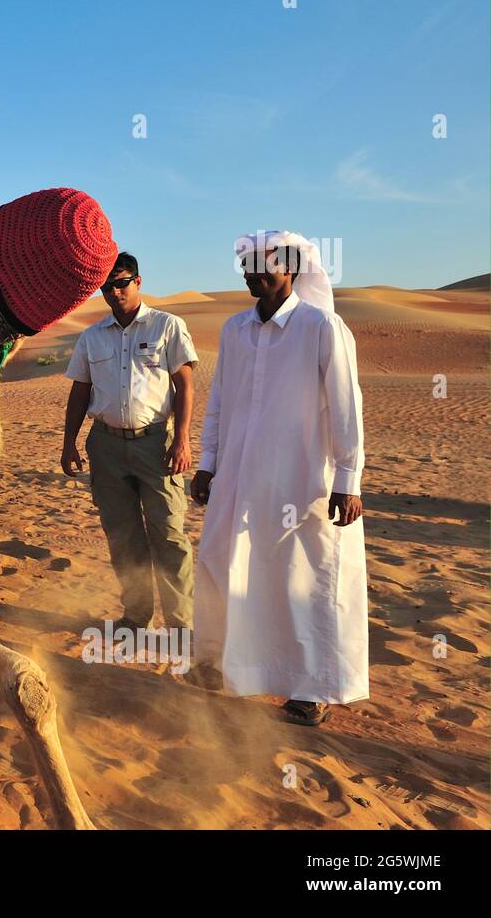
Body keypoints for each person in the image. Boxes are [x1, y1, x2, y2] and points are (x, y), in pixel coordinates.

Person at [190, 231, 366, 726]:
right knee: (225, 561)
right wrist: (208, 461)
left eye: (265, 264)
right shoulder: (233, 329)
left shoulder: (322, 327)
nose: (253, 272)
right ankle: (228, 667)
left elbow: (347, 406)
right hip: (239, 475)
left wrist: (348, 477)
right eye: (246, 263)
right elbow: (220, 399)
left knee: (302, 575)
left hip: (302, 475)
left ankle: (312, 690)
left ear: (293, 270)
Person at [62, 253, 199, 633]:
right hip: (105, 446)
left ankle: (181, 626)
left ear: (138, 281)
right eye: (107, 286)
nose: (115, 291)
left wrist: (183, 439)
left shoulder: (167, 326)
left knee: (169, 535)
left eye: (122, 283)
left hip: (156, 445)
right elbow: (80, 391)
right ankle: (136, 616)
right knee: (122, 535)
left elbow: (185, 385)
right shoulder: (92, 336)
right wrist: (69, 442)